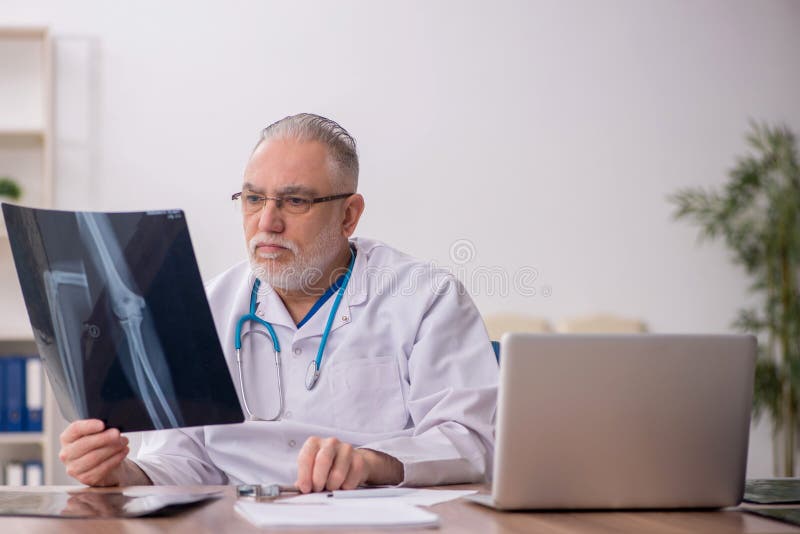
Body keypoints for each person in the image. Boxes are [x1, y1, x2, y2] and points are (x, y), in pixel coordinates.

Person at [58, 113, 498, 493]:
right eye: (253, 198)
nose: (267, 222)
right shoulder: (205, 307)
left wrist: (370, 462)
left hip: (367, 518)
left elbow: (472, 442)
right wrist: (123, 473)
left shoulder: (426, 298)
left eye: (295, 200)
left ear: (348, 215)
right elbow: (182, 459)